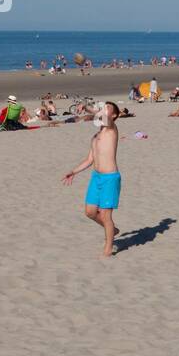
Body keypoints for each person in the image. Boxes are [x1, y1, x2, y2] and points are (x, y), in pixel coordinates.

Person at [62, 102, 122, 258]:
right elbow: (89, 159)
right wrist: (73, 171)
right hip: (96, 177)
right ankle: (112, 230)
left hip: (110, 178)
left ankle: (108, 249)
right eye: (103, 108)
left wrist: (87, 107)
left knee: (106, 215)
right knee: (89, 212)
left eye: (107, 109)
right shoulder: (95, 137)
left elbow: (101, 116)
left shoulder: (112, 129)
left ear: (114, 115)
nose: (103, 111)